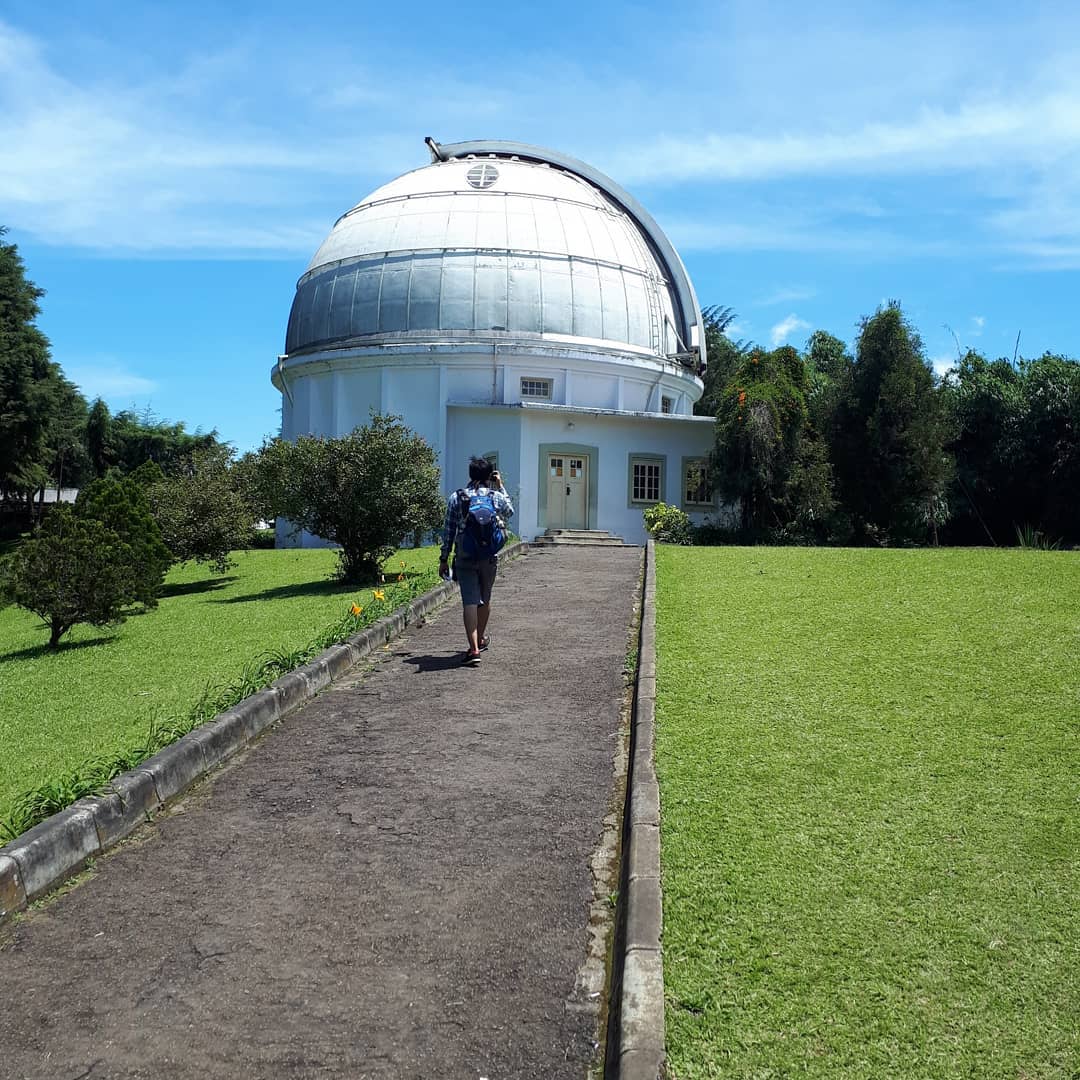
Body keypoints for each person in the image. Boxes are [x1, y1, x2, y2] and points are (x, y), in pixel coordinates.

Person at [439, 457, 514, 666]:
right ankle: (480, 639)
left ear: (470, 475)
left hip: (465, 554)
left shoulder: (458, 497)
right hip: (489, 555)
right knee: (485, 599)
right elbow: (510, 511)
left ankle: (473, 649)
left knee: (470, 601)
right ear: (490, 476)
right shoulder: (495, 496)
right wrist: (501, 486)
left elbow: (449, 531)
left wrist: (444, 559)